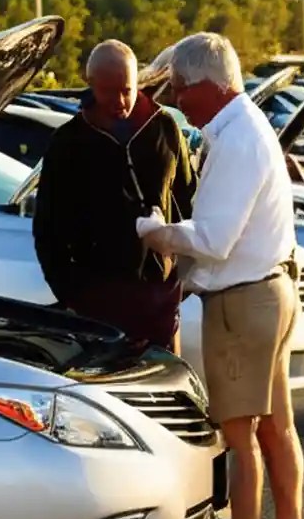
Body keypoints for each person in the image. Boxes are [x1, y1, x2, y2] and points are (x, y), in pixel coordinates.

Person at [137, 32, 304, 519]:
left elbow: (213, 239)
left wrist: (155, 233)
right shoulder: (248, 127)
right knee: (275, 428)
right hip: (272, 290)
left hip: (243, 303)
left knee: (239, 432)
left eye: (182, 89)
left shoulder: (234, 142)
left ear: (209, 85)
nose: (178, 100)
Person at [32, 39, 196, 353]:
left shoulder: (164, 128)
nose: (120, 101)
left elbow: (188, 201)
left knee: (166, 395)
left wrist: (178, 281)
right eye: (109, 92)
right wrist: (71, 293)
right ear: (90, 85)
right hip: (96, 304)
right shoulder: (68, 142)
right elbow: (47, 228)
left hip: (160, 300)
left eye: (127, 90)